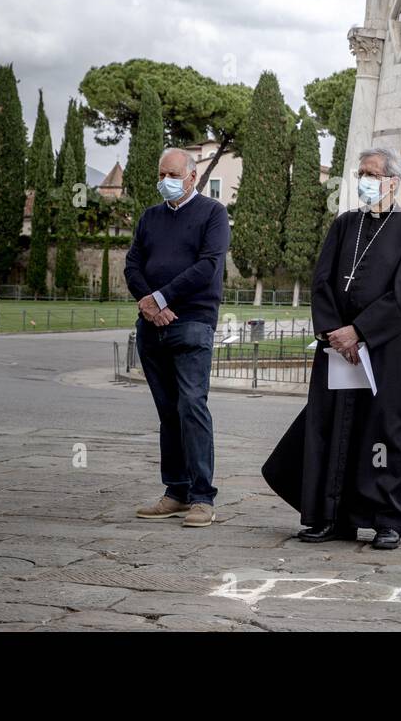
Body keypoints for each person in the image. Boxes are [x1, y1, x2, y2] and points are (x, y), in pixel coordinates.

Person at [262, 147, 401, 550]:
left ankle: (386, 519)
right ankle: (328, 517)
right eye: (361, 173)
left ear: (393, 181)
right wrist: (335, 333)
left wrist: (360, 331)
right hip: (336, 348)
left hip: (383, 351)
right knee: (330, 427)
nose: (363, 181)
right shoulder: (343, 225)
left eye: (371, 174)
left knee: (381, 434)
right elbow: (321, 282)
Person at [126, 147, 231, 528]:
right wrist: (148, 302)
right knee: (168, 412)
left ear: (191, 177)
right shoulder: (150, 217)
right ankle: (176, 491)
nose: (164, 181)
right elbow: (133, 264)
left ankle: (203, 497)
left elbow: (208, 266)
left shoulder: (213, 214)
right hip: (150, 324)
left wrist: (163, 296)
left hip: (192, 322)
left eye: (172, 174)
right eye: (161, 174)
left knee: (191, 406)